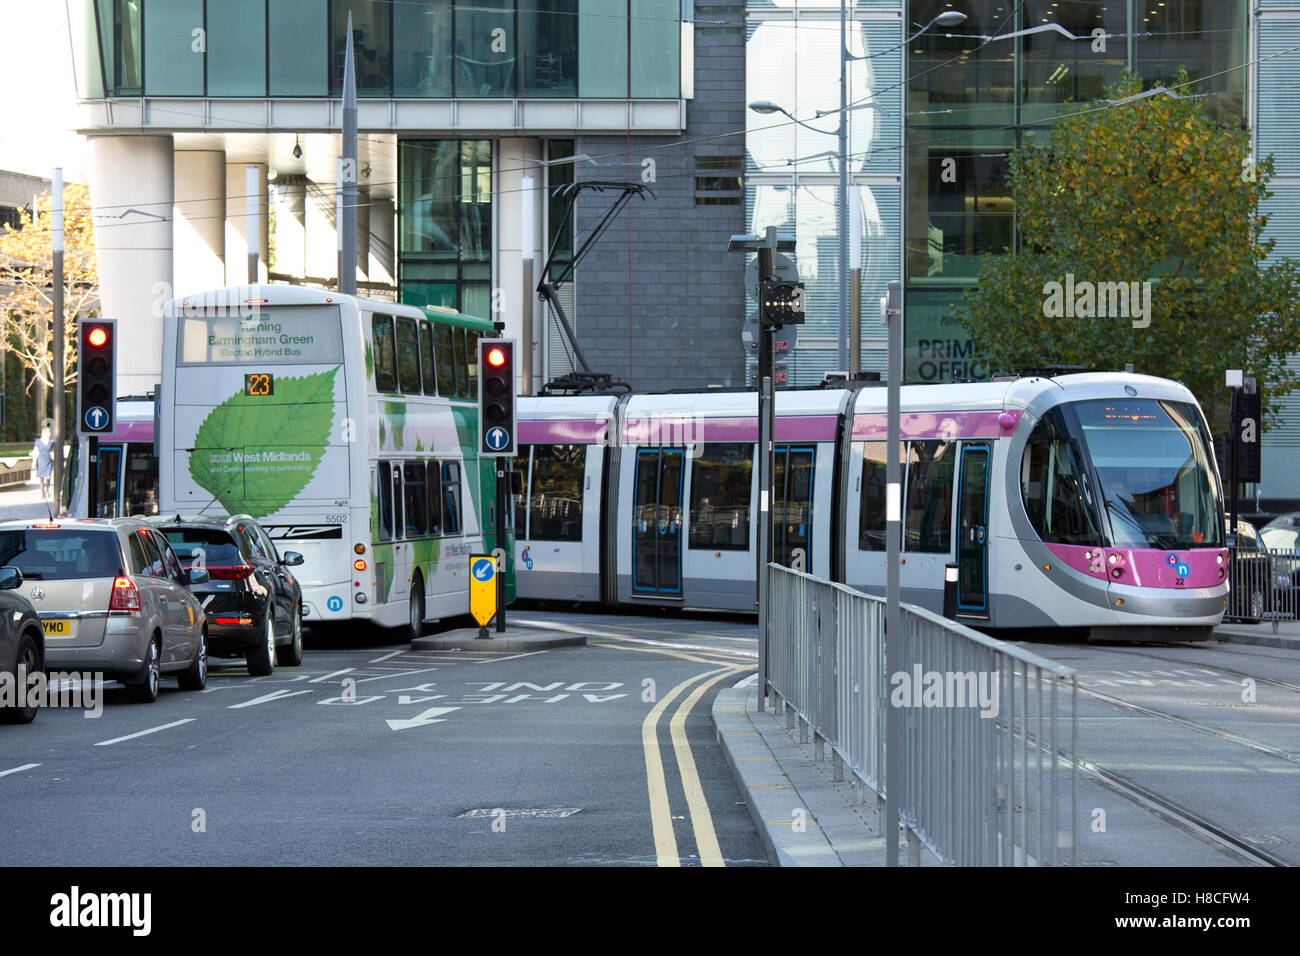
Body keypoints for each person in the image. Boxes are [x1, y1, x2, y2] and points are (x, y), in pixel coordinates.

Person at [30, 422, 54, 500]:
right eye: (48, 432)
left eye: (50, 433)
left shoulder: (51, 443)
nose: (49, 434)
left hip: (48, 462)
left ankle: (47, 489)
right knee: (41, 478)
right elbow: (36, 451)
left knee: (48, 477)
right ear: (44, 433)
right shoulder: (38, 442)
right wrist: (34, 461)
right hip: (41, 461)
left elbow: (52, 452)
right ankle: (42, 492)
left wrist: (54, 458)